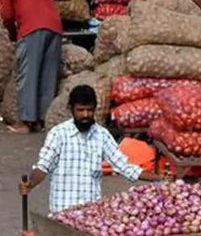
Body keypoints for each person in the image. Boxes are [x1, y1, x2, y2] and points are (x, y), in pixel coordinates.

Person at [19, 86, 169, 214]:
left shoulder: (102, 135)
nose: (85, 115)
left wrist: (156, 177)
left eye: (89, 110)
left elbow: (124, 166)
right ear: (71, 109)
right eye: (80, 110)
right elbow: (43, 166)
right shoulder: (58, 134)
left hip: (91, 211)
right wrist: (30, 184)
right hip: (62, 212)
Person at [1, 0, 63, 133]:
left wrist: (13, 34)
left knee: (28, 74)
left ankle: (26, 122)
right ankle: (43, 120)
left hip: (31, 28)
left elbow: (7, 14)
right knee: (47, 75)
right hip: (55, 28)